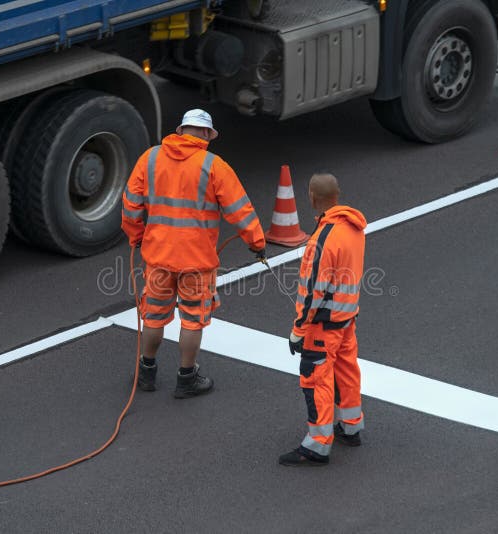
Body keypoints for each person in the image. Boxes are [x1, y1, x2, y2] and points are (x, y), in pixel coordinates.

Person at [121, 109, 266, 398]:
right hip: (196, 262)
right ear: (204, 133)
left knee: (153, 315)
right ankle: (186, 378)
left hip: (159, 256)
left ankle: (146, 372)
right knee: (192, 320)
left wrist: (136, 236)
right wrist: (257, 243)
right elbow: (239, 210)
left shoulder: (150, 158)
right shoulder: (214, 166)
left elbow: (131, 204)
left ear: (182, 130)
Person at [279, 172, 367, 466]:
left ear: (312, 198)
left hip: (323, 325)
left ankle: (318, 444)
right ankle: (350, 426)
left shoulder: (321, 240)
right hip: (347, 318)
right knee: (346, 372)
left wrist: (298, 330)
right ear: (338, 194)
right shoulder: (354, 228)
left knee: (316, 380)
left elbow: (311, 292)